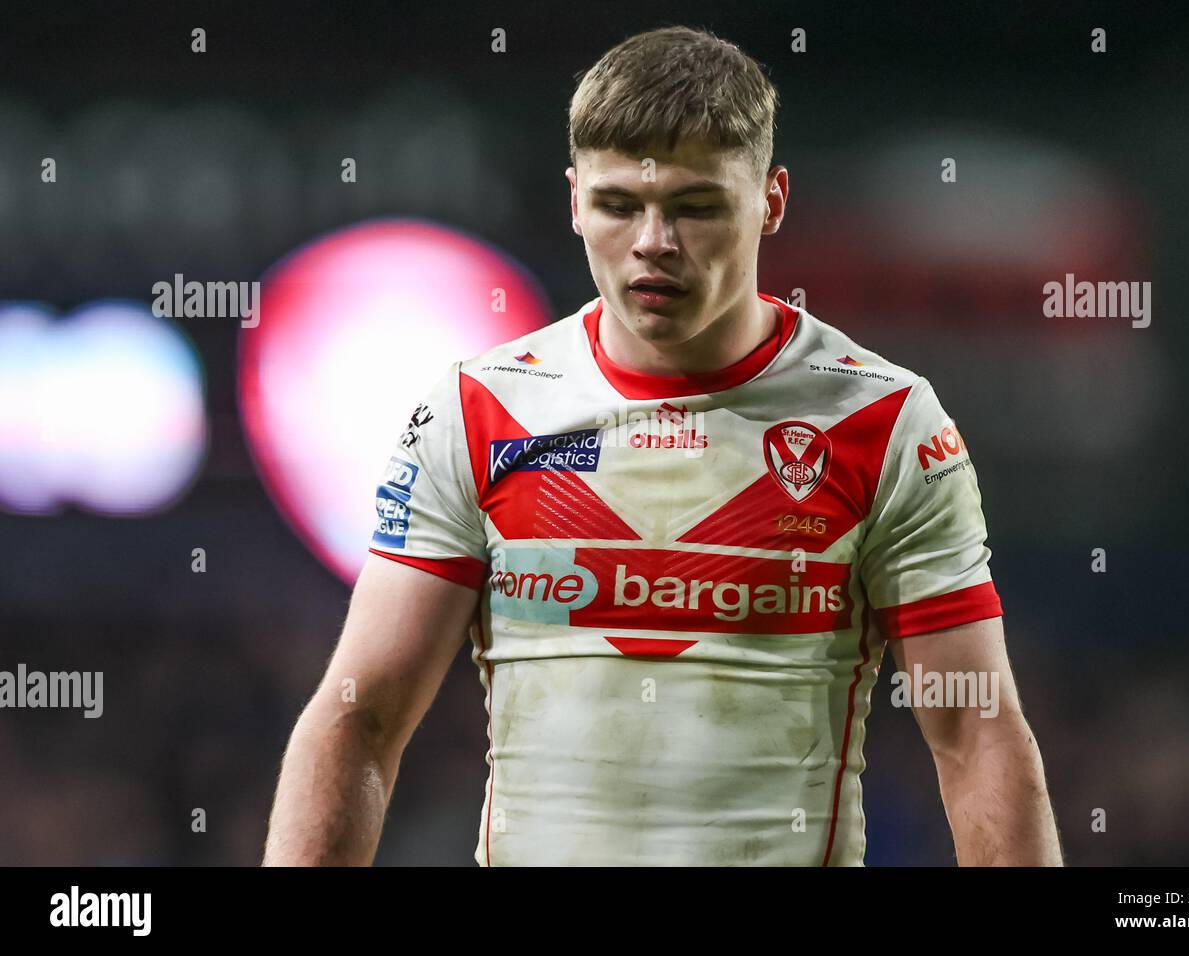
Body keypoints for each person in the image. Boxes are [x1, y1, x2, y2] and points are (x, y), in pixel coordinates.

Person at [264, 25, 1063, 867]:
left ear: (771, 201)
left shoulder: (887, 423)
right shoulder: (479, 412)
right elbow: (361, 718)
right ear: (574, 201)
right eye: (619, 205)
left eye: (696, 206)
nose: (654, 242)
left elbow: (975, 736)